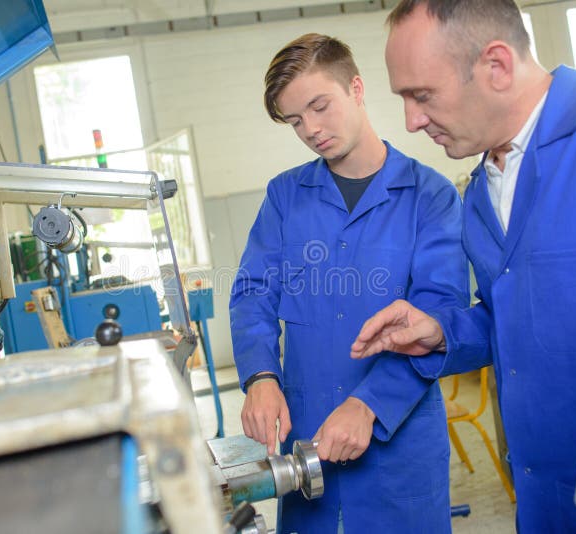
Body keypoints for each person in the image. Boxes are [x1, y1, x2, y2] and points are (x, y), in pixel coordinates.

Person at [351, 1, 576, 532]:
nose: (411, 121)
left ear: (496, 65)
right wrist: (441, 332)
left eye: (422, 95)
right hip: (545, 502)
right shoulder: (479, 197)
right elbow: (510, 318)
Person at [230, 33, 469, 533]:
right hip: (306, 448)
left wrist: (370, 405)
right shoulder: (284, 198)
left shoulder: (431, 198)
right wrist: (259, 377)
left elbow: (439, 317)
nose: (312, 130)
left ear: (356, 89)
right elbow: (252, 292)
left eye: (320, 106)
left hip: (399, 451)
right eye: (296, 121)